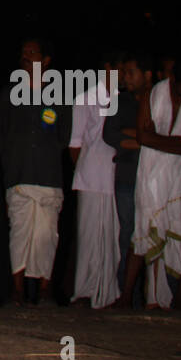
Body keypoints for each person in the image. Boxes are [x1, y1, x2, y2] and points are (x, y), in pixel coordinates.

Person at [0, 37, 71, 305]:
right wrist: (13, 156)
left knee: (47, 233)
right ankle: (17, 290)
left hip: (48, 175)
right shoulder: (9, 93)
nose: (26, 55)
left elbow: (64, 135)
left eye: (33, 52)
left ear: (46, 60)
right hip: (19, 174)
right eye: (23, 52)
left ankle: (45, 289)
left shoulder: (58, 93)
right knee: (20, 232)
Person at [125, 58, 181, 309]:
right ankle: (126, 297)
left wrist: (162, 141)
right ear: (175, 81)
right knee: (143, 229)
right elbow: (142, 135)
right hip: (154, 172)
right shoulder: (153, 94)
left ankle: (180, 296)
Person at [69, 54, 121, 309]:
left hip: (116, 176)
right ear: (108, 68)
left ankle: (111, 293)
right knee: (89, 235)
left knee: (113, 235)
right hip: (90, 175)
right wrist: (86, 169)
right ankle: (85, 292)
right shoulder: (86, 99)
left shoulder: (127, 99)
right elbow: (75, 143)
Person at [105, 53, 151, 307]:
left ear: (147, 75)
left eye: (131, 72)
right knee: (128, 236)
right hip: (127, 176)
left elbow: (164, 135)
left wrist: (134, 136)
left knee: (157, 234)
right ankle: (127, 294)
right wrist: (145, 139)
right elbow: (109, 135)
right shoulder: (118, 100)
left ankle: (156, 295)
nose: (126, 77)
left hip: (155, 177)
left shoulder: (159, 100)